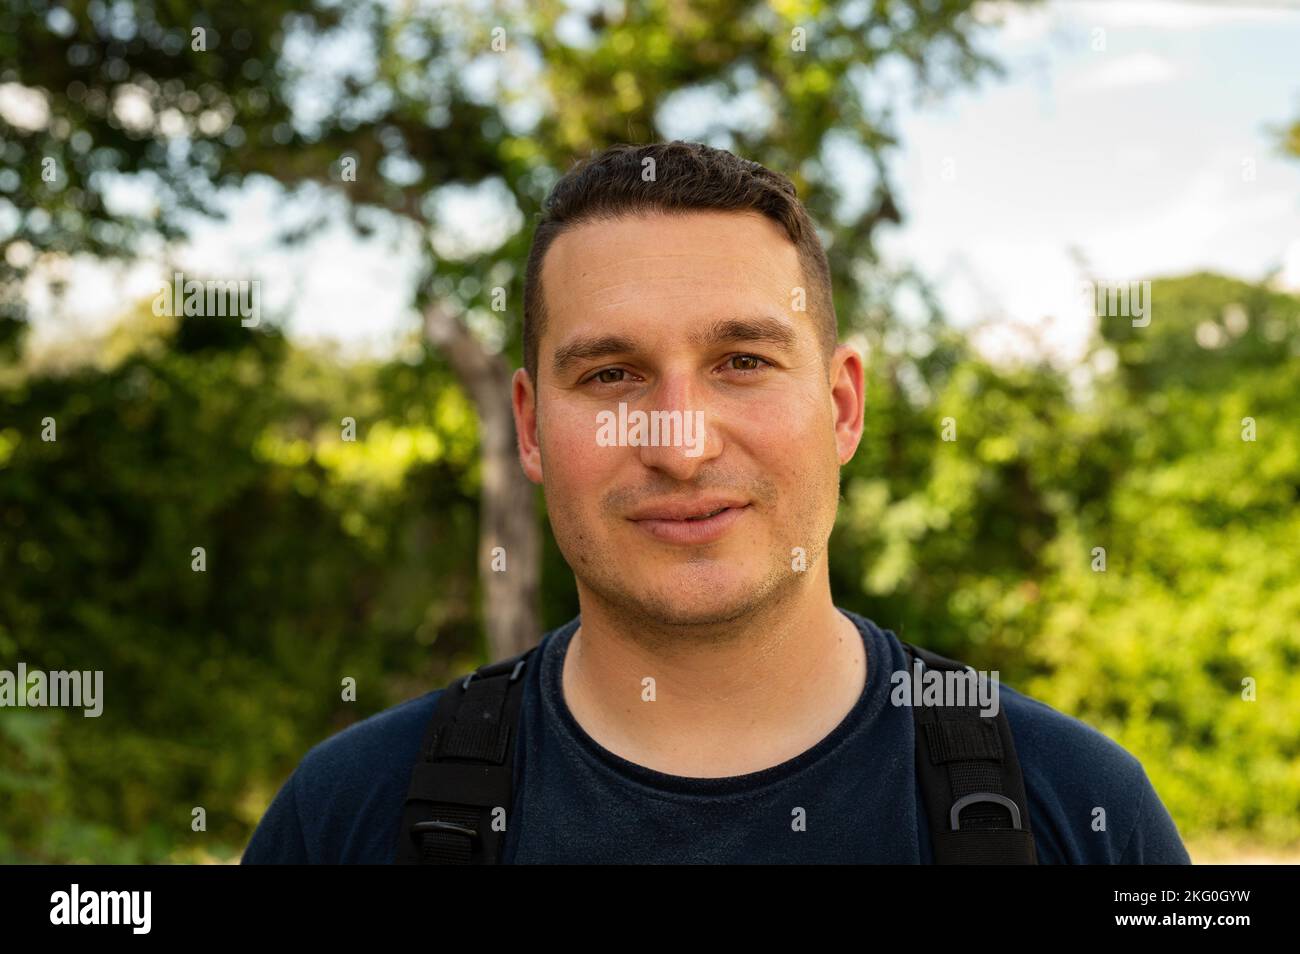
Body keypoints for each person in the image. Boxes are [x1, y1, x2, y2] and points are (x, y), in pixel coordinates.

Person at [242, 141, 1190, 864]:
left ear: (840, 404)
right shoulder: (348, 818)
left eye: (743, 362)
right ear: (531, 431)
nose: (681, 444)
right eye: (612, 374)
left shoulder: (1076, 809)